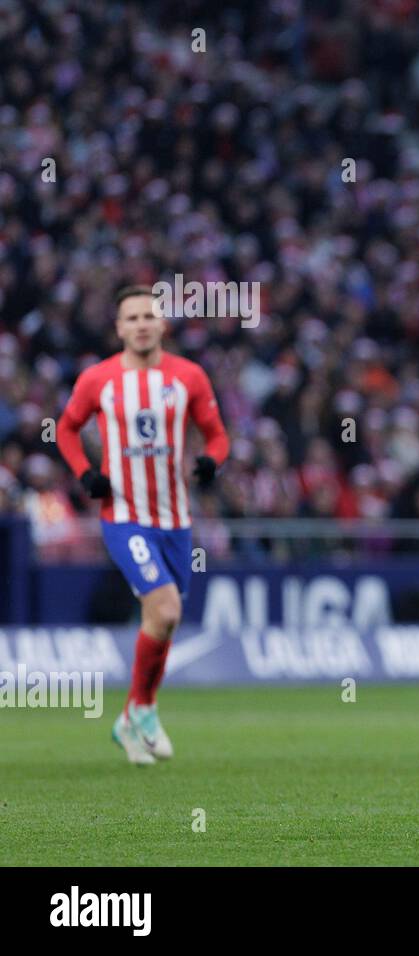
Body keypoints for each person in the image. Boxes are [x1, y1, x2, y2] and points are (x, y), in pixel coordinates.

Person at [56, 284, 229, 764]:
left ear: (163, 323)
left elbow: (217, 436)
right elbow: (67, 428)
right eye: (131, 317)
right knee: (167, 610)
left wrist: (212, 462)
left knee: (162, 621)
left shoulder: (189, 377)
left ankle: (130, 718)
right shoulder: (98, 381)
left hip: (176, 520)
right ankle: (145, 711)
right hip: (125, 517)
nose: (141, 324)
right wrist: (85, 473)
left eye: (149, 315)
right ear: (118, 327)